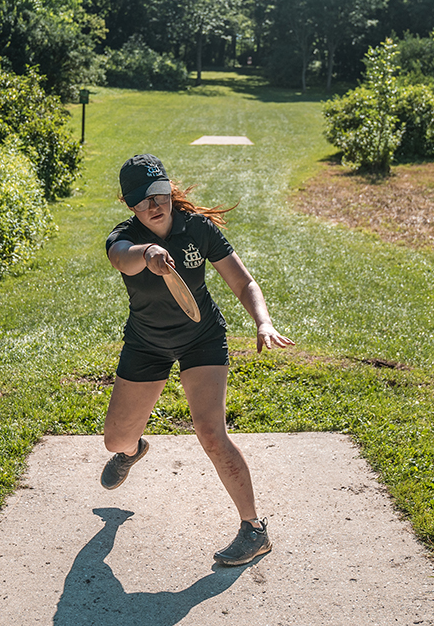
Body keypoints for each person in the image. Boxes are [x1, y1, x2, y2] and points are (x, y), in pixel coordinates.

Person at [101, 153, 295, 566]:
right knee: (115, 439)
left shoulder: (198, 229)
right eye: (142, 200)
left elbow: (243, 282)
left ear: (169, 189)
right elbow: (122, 256)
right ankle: (131, 452)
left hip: (201, 338)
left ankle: (254, 530)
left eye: (159, 194)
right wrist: (149, 252)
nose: (154, 205)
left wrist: (263, 322)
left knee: (210, 432)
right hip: (146, 342)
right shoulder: (124, 235)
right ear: (129, 204)